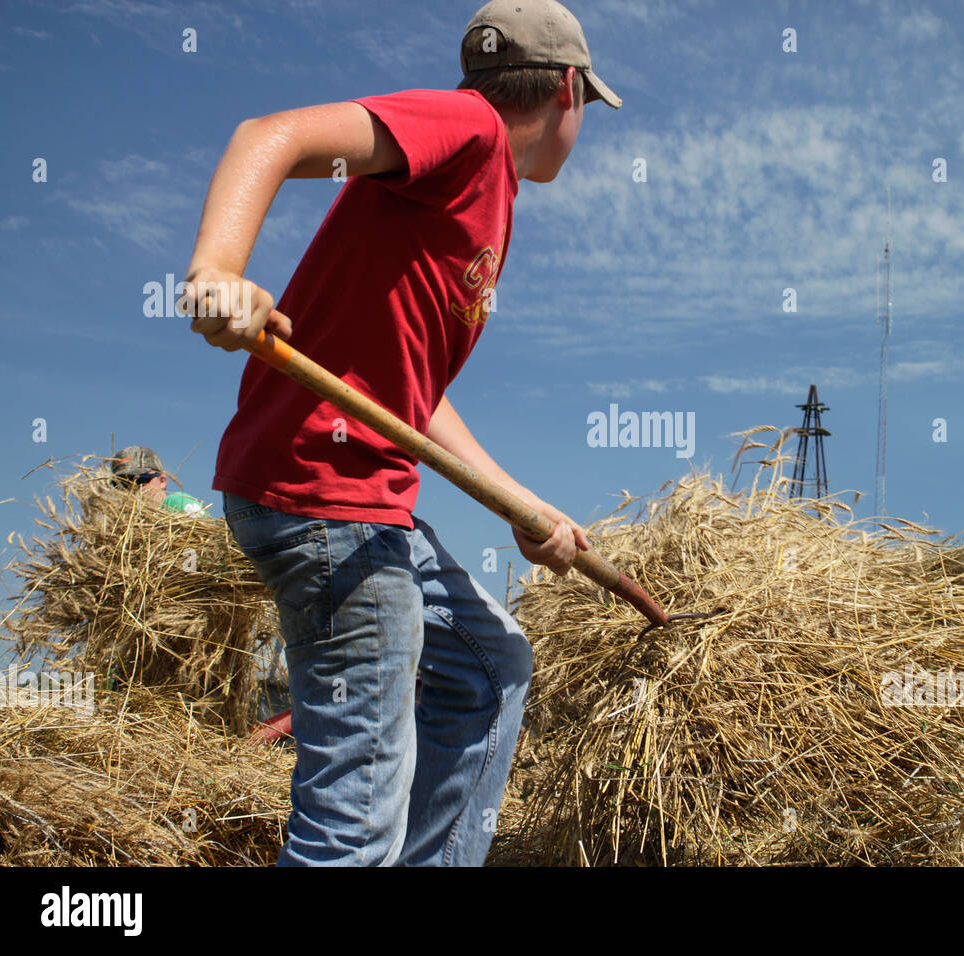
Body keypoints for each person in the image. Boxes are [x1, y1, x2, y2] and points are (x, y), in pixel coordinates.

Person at [181, 0, 620, 866]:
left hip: (357, 497)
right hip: (327, 500)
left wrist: (520, 507)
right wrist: (217, 272)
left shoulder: (479, 194)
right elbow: (267, 134)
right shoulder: (468, 131)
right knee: (352, 824)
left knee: (491, 669)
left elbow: (408, 396)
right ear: (569, 90)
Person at [109, 445, 208, 515]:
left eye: (141, 480)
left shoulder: (176, 502)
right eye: (122, 484)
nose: (131, 488)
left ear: (162, 481)